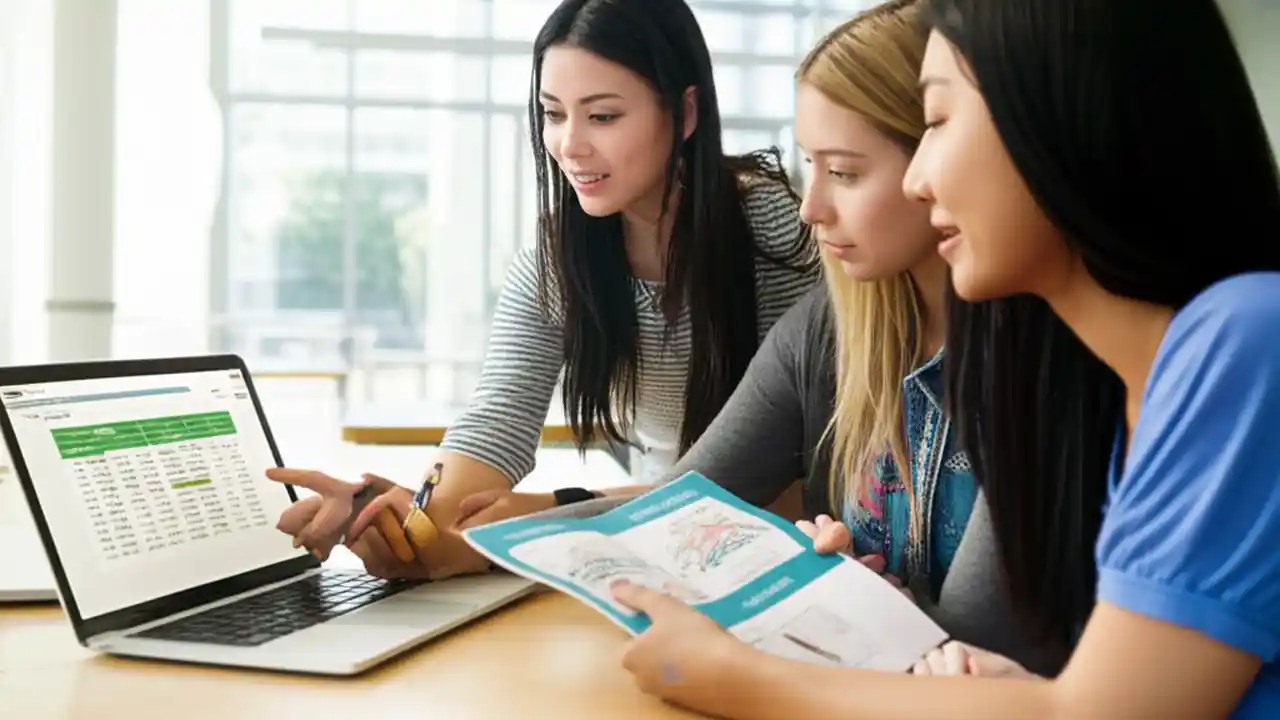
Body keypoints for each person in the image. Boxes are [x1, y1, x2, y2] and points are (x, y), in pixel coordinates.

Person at [607, 0, 1280, 717]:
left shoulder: (1246, 337)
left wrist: (733, 677)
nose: (921, 180)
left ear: (1059, 115)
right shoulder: (1165, 380)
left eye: (934, 121)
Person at [452, 0, 1065, 676]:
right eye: (811, 166)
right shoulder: (828, 328)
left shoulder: (1043, 356)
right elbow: (680, 508)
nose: (811, 208)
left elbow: (972, 650)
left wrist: (855, 614)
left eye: (845, 172)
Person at [267, 0, 818, 580]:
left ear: (684, 114)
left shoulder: (769, 226)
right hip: (644, 538)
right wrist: (391, 516)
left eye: (603, 117)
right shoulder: (560, 256)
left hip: (763, 553)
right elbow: (493, 424)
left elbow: (788, 483)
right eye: (553, 114)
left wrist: (558, 512)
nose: (570, 145)